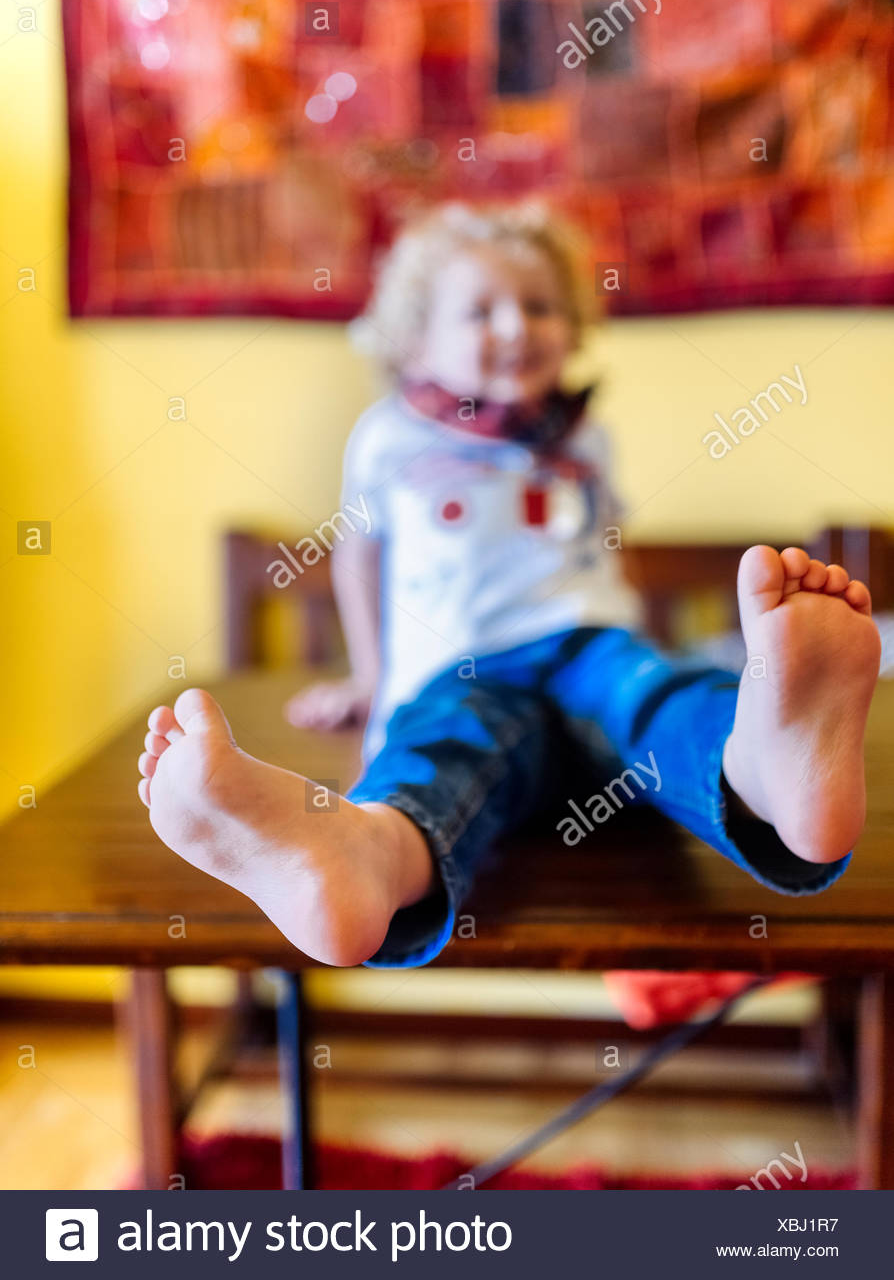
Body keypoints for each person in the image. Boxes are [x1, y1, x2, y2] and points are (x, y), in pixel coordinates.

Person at [137, 202, 881, 978]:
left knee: (653, 693)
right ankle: (363, 856)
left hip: (588, 648)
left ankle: (760, 760)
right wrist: (369, 678)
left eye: (540, 305)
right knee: (443, 749)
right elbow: (360, 561)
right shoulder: (391, 437)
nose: (519, 326)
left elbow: (603, 552)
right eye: (482, 310)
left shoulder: (585, 436)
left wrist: (624, 620)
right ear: (416, 339)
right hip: (465, 668)